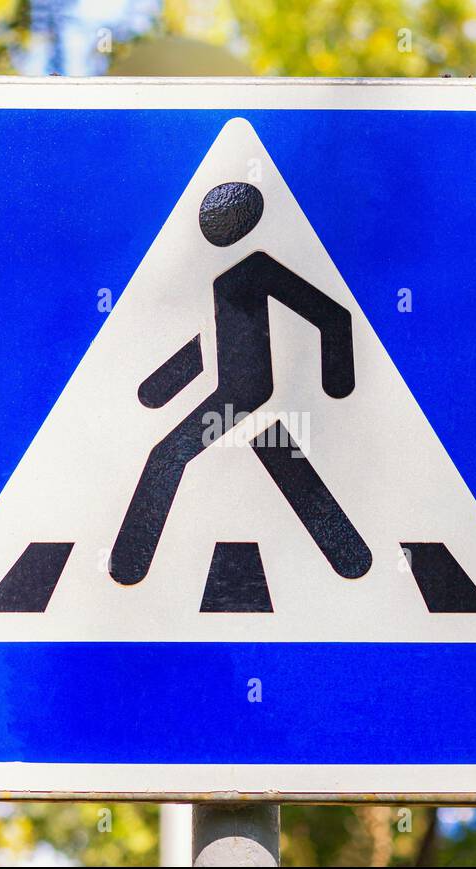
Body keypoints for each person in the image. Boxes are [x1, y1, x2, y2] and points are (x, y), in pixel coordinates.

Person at [109, 181, 372, 586]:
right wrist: (157, 388)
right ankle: (353, 559)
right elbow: (208, 347)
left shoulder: (256, 270)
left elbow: (329, 315)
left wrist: (337, 379)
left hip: (246, 395)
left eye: (216, 219)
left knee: (167, 456)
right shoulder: (223, 279)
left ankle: (128, 567)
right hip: (239, 395)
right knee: (284, 460)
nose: (209, 228)